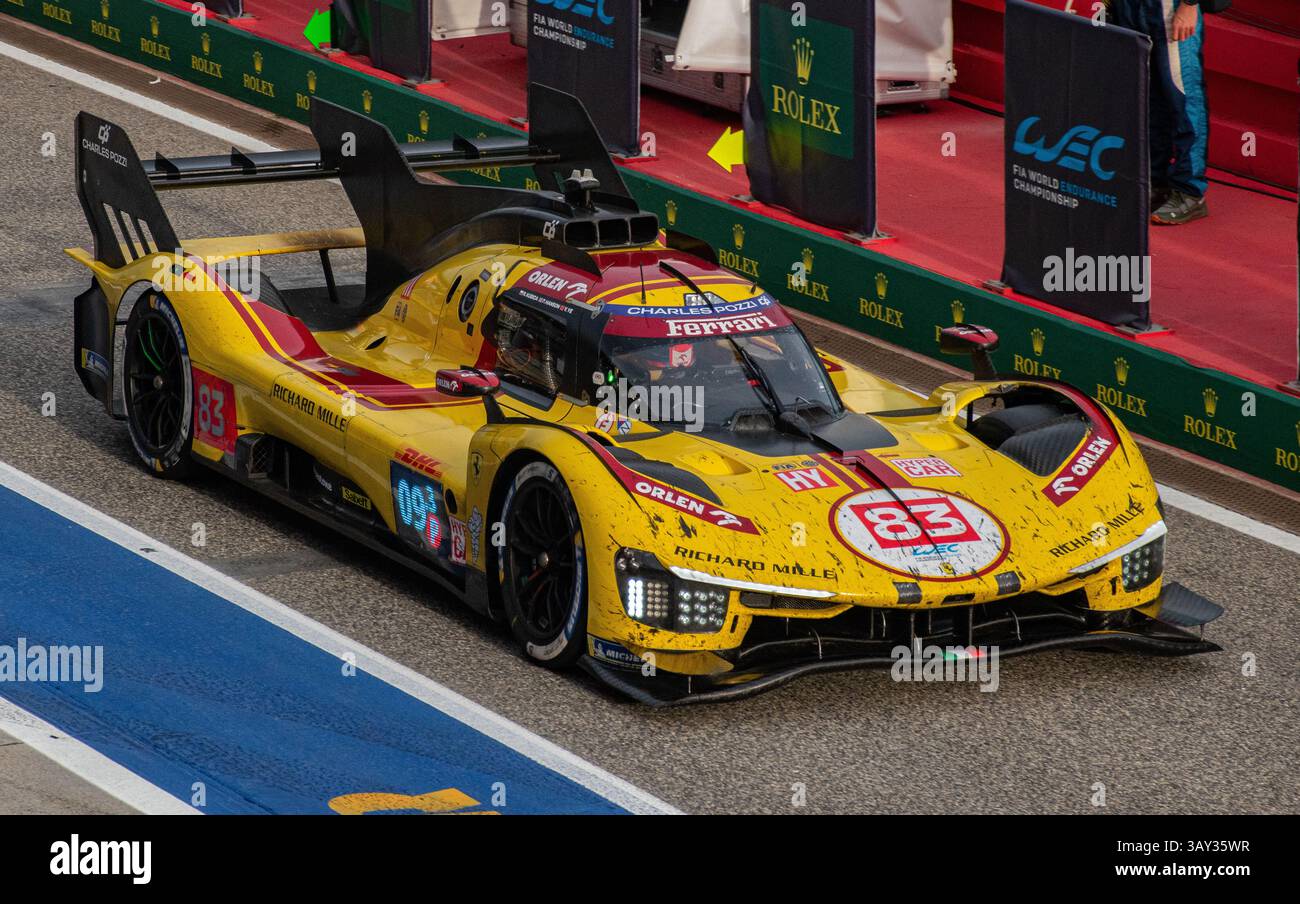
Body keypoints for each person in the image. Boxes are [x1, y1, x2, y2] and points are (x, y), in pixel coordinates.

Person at [1109, 0, 1211, 225]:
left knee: (1184, 96)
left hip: (1170, 7)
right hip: (1130, 8)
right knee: (1148, 95)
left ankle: (1189, 191)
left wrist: (1189, 5)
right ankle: (1155, 182)